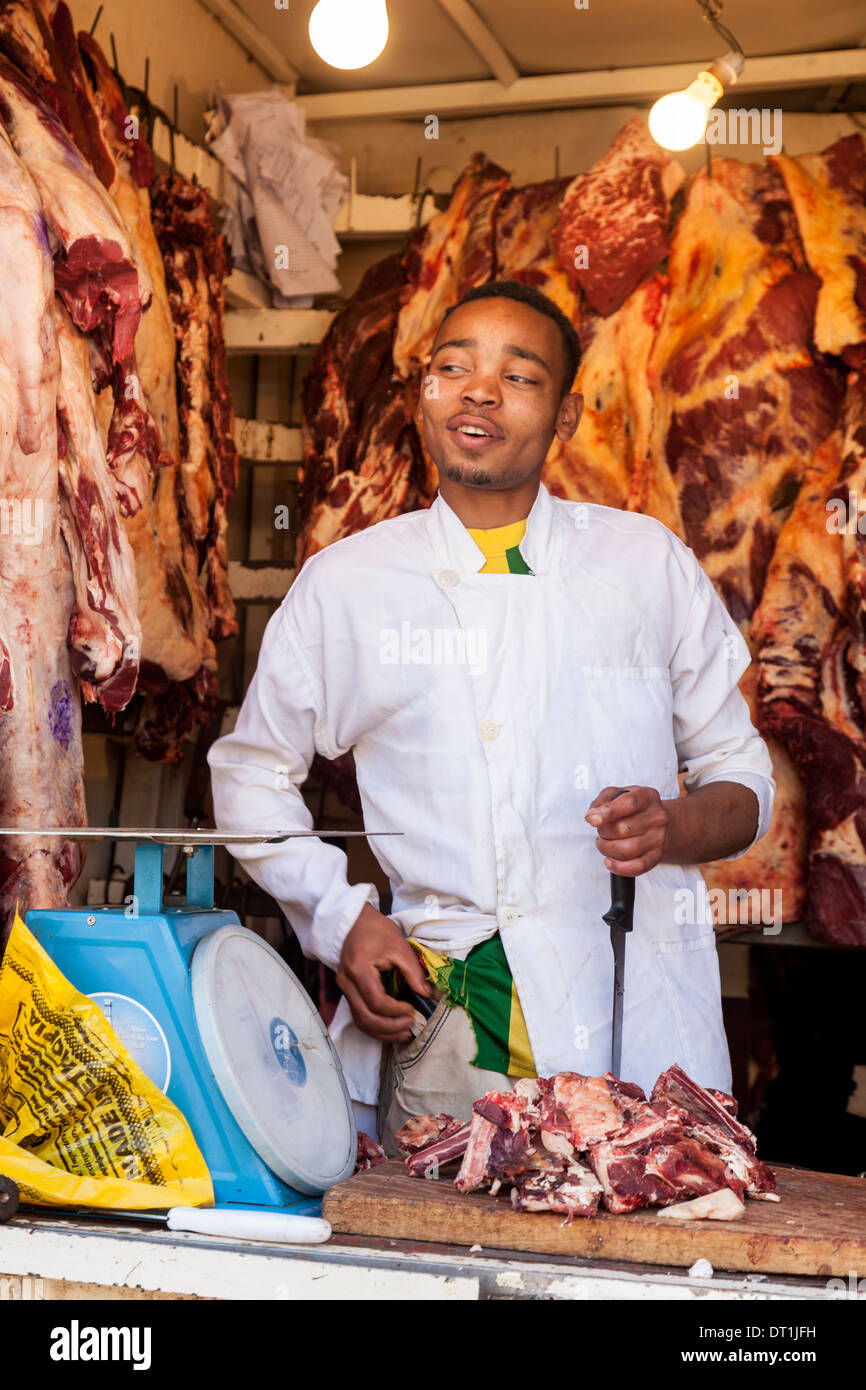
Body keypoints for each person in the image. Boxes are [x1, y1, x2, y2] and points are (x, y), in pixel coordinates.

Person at [208, 279, 775, 1153]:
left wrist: (672, 823)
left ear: (568, 417)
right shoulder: (350, 584)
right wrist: (342, 918)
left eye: (519, 375)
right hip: (451, 1038)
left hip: (638, 1033)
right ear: (423, 397)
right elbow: (249, 774)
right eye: (453, 367)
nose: (479, 389)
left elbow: (744, 780)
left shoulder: (642, 564)